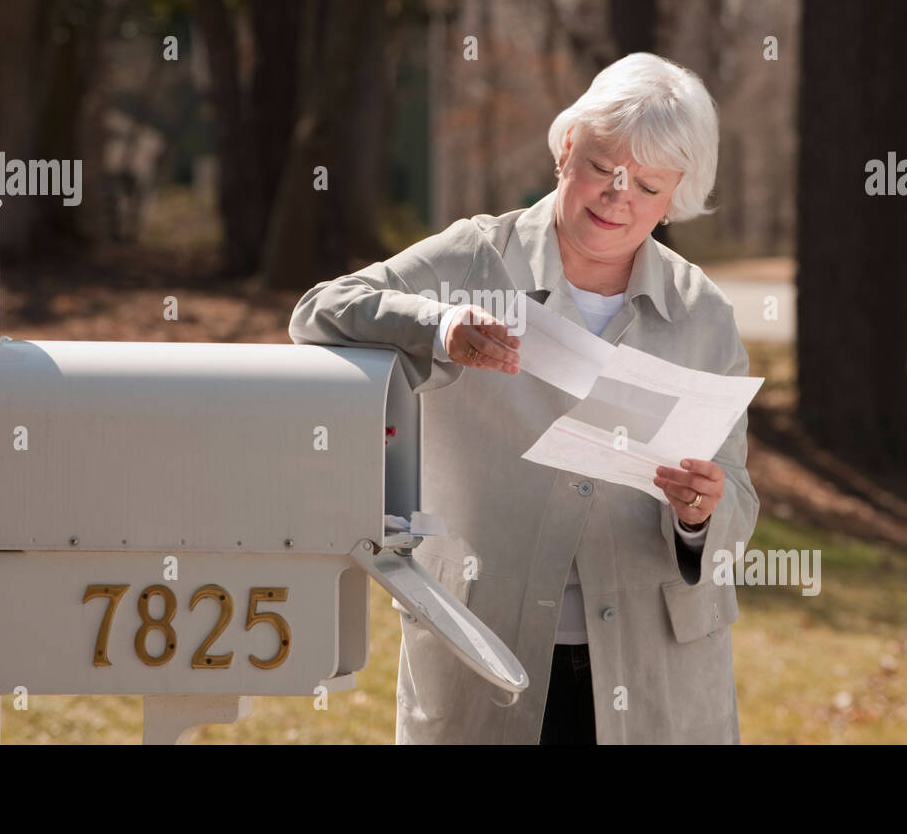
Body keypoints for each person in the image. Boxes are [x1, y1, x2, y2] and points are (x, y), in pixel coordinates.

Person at [288, 52, 759, 744]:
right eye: (604, 167)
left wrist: (701, 514)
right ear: (567, 146)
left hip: (657, 677)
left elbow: (738, 499)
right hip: (487, 658)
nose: (617, 198)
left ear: (676, 197)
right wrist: (439, 326)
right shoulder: (476, 258)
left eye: (648, 186)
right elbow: (319, 310)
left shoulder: (703, 313)